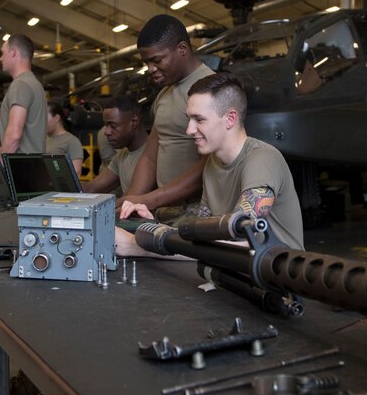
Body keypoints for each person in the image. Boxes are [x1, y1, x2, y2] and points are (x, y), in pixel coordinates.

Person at [119, 73, 304, 253]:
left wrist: (139, 246)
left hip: (279, 279)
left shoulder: (262, 160)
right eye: (189, 119)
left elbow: (241, 240)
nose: (189, 130)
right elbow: (202, 235)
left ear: (230, 118)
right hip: (237, 276)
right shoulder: (212, 164)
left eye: (199, 120)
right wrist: (153, 227)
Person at [120, 14, 215, 215]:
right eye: (146, 62)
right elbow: (150, 157)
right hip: (165, 210)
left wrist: (149, 200)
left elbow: (208, 167)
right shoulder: (165, 93)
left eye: (156, 60)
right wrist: (130, 202)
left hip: (196, 211)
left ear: (182, 49)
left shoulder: (211, 90)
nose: (150, 69)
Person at [83, 95, 148, 195]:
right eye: (106, 125)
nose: (107, 132)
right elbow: (92, 188)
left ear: (134, 122)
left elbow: (132, 200)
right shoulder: (122, 156)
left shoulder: (154, 154)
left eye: (113, 126)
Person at [0, 34, 47, 155]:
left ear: (13, 53)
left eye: (3, 53)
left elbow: (14, 135)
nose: (0, 58)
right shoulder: (35, 84)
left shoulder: (20, 84)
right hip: (33, 166)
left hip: (20, 168)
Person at [46, 100, 84, 175]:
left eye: (44, 118)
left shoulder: (72, 141)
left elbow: (76, 172)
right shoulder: (43, 140)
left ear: (56, 118)